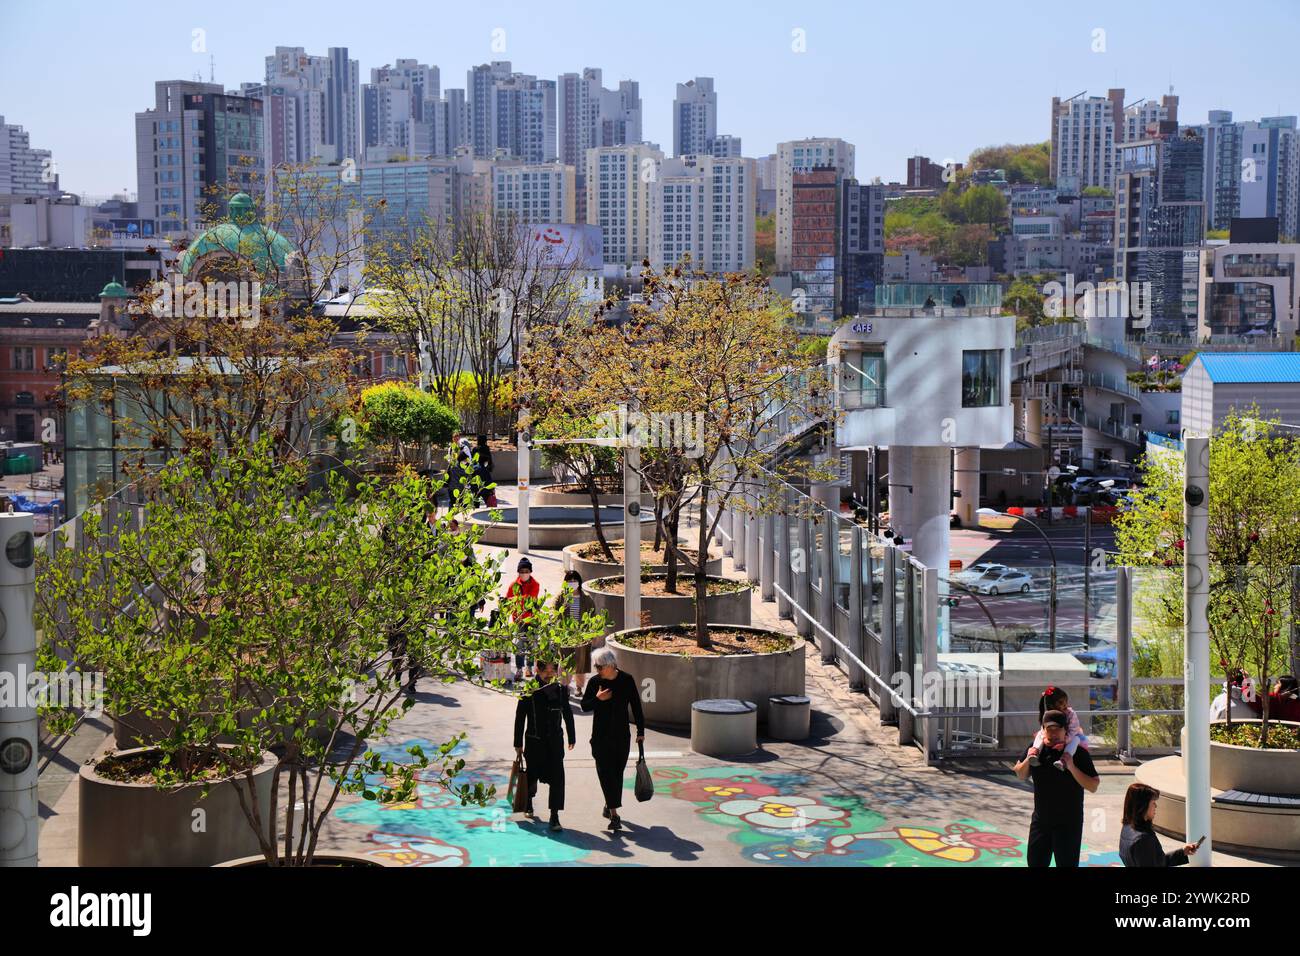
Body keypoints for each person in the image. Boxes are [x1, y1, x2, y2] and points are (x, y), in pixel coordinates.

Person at [1013, 710, 1100, 868]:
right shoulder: (1036, 749)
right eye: (1049, 729)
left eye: (1057, 729)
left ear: (1065, 730)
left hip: (1069, 824)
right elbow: (1020, 774)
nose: (1053, 733)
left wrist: (1072, 767)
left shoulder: (1078, 753)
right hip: (1041, 822)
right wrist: (1028, 758)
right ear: (1043, 730)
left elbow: (1093, 786)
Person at [581, 645, 645, 831]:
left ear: (610, 665)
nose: (596, 670)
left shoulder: (626, 680)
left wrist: (641, 731)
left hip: (621, 737)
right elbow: (585, 706)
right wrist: (597, 699)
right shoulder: (594, 683)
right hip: (600, 738)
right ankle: (614, 814)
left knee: (616, 774)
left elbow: (636, 706)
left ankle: (609, 805)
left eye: (599, 667)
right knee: (605, 774)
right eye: (595, 667)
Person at [512, 660, 575, 832]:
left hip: (555, 742)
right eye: (545, 670)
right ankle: (529, 801)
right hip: (534, 741)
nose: (549, 674)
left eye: (552, 670)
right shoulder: (529, 688)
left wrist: (572, 736)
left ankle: (554, 816)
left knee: (557, 778)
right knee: (531, 776)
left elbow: (567, 712)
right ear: (537, 670)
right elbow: (520, 716)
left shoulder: (561, 690)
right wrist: (518, 743)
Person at [1119, 783, 1198, 867]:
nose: (1156, 806)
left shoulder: (1127, 827)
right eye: (1153, 803)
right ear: (1143, 806)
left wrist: (1183, 852)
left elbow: (1157, 862)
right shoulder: (1143, 839)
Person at [1026, 685, 1088, 771]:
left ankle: (1064, 760)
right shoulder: (1048, 714)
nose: (1065, 704)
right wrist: (1045, 738)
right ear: (1051, 705)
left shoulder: (1070, 713)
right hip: (1055, 737)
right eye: (1061, 702)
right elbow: (1043, 729)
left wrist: (1065, 741)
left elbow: (1073, 730)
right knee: (1039, 734)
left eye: (1065, 701)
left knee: (1076, 739)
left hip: (1069, 736)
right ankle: (1034, 753)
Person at [555, 570, 592, 698]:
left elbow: (592, 617)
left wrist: (591, 633)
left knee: (580, 663)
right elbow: (555, 614)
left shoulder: (586, 598)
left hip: (581, 636)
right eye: (569, 581)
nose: (572, 583)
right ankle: (564, 686)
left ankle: (579, 687)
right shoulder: (561, 597)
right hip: (565, 635)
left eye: (574, 580)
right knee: (564, 661)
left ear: (579, 582)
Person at [504, 557, 541, 681]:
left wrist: (516, 600)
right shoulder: (513, 585)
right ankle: (519, 668)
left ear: (530, 571)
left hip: (532, 620)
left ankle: (529, 667)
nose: (524, 573)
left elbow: (530, 600)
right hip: (519, 621)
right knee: (519, 645)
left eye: (526, 570)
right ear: (518, 572)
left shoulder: (535, 584)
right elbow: (508, 601)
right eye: (522, 571)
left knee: (531, 644)